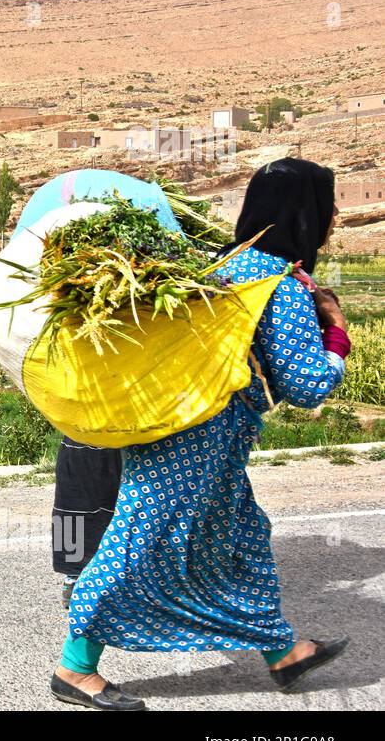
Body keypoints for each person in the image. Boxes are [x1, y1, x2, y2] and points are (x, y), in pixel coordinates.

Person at [51, 158, 352, 710]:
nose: (335, 216)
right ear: (304, 215)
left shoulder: (229, 263)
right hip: (194, 439)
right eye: (327, 205)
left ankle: (283, 652)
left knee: (239, 538)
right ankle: (74, 669)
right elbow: (308, 384)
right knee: (138, 542)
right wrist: (334, 330)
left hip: (198, 433)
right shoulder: (277, 284)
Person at [52, 438, 122, 607]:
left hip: (106, 439)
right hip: (91, 440)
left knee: (76, 505)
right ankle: (73, 578)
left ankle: (77, 580)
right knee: (71, 506)